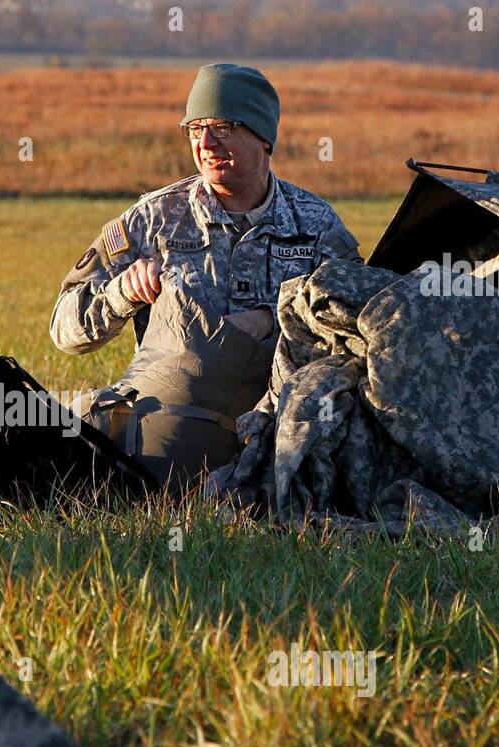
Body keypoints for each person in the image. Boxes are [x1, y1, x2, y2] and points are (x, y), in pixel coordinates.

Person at [51, 63, 363, 491]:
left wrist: (282, 325)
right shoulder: (154, 219)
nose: (206, 142)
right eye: (195, 129)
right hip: (171, 435)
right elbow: (64, 330)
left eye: (224, 127)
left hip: (280, 440)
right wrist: (120, 294)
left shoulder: (317, 226)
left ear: (263, 137)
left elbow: (358, 331)